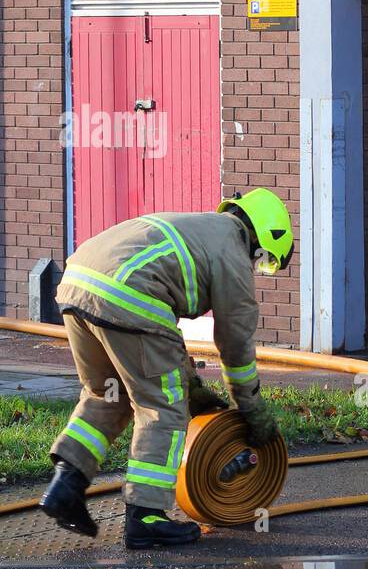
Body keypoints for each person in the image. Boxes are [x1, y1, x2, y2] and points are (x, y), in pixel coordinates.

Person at [39, 190, 295, 549]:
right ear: (263, 237)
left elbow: (162, 345)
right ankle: (146, 517)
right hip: (127, 296)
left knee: (107, 394)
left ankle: (65, 487)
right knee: (163, 407)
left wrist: (195, 388)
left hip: (78, 283)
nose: (258, 267)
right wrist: (252, 411)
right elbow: (236, 348)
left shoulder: (201, 228)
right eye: (266, 261)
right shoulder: (233, 254)